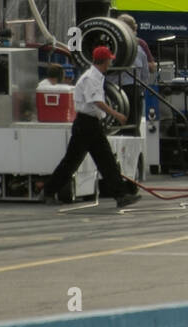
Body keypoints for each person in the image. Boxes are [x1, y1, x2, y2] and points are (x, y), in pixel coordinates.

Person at [41, 46, 141, 208]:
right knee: (101, 159)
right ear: (104, 60)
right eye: (109, 59)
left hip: (89, 124)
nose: (110, 62)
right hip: (87, 124)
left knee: (83, 161)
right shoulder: (90, 78)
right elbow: (96, 101)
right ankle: (120, 195)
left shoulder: (96, 76)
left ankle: (48, 192)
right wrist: (116, 114)